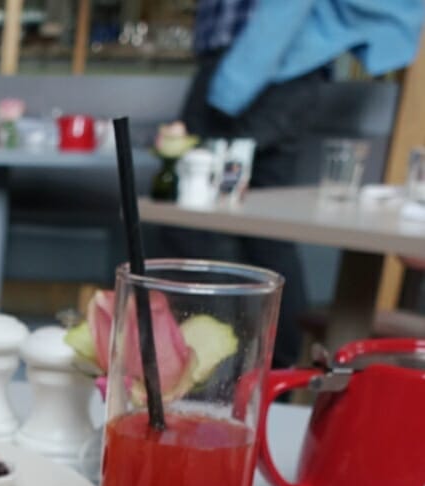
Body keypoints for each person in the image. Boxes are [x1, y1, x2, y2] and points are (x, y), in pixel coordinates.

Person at [170, 0, 424, 367]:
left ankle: (215, 378)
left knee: (200, 227)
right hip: (278, 66)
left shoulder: (245, 70)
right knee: (258, 231)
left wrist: (232, 84)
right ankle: (275, 372)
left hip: (255, 65)